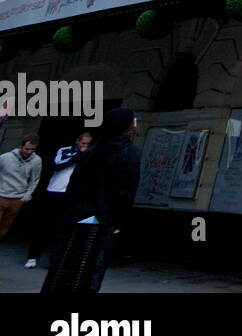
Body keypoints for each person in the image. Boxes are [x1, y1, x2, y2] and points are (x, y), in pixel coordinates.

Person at [42, 109, 140, 294]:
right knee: (90, 268)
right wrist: (118, 221)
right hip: (101, 219)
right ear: (127, 126)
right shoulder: (129, 153)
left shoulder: (92, 151)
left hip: (75, 215)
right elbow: (125, 191)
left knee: (64, 265)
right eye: (132, 120)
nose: (135, 122)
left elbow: (73, 184)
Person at [25, 131, 92, 269]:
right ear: (78, 141)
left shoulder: (89, 154)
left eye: (87, 144)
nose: (85, 146)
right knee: (43, 225)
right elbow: (58, 165)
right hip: (54, 191)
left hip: (70, 194)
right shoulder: (65, 150)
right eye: (83, 143)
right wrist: (79, 155)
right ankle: (33, 256)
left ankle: (55, 261)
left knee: (63, 229)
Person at [0, 134, 42, 246]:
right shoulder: (5, 157)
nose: (28, 152)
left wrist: (26, 196)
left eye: (32, 149)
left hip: (17, 199)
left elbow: (35, 180)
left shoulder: (36, 160)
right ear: (21, 146)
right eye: (27, 149)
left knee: (3, 231)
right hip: (2, 195)